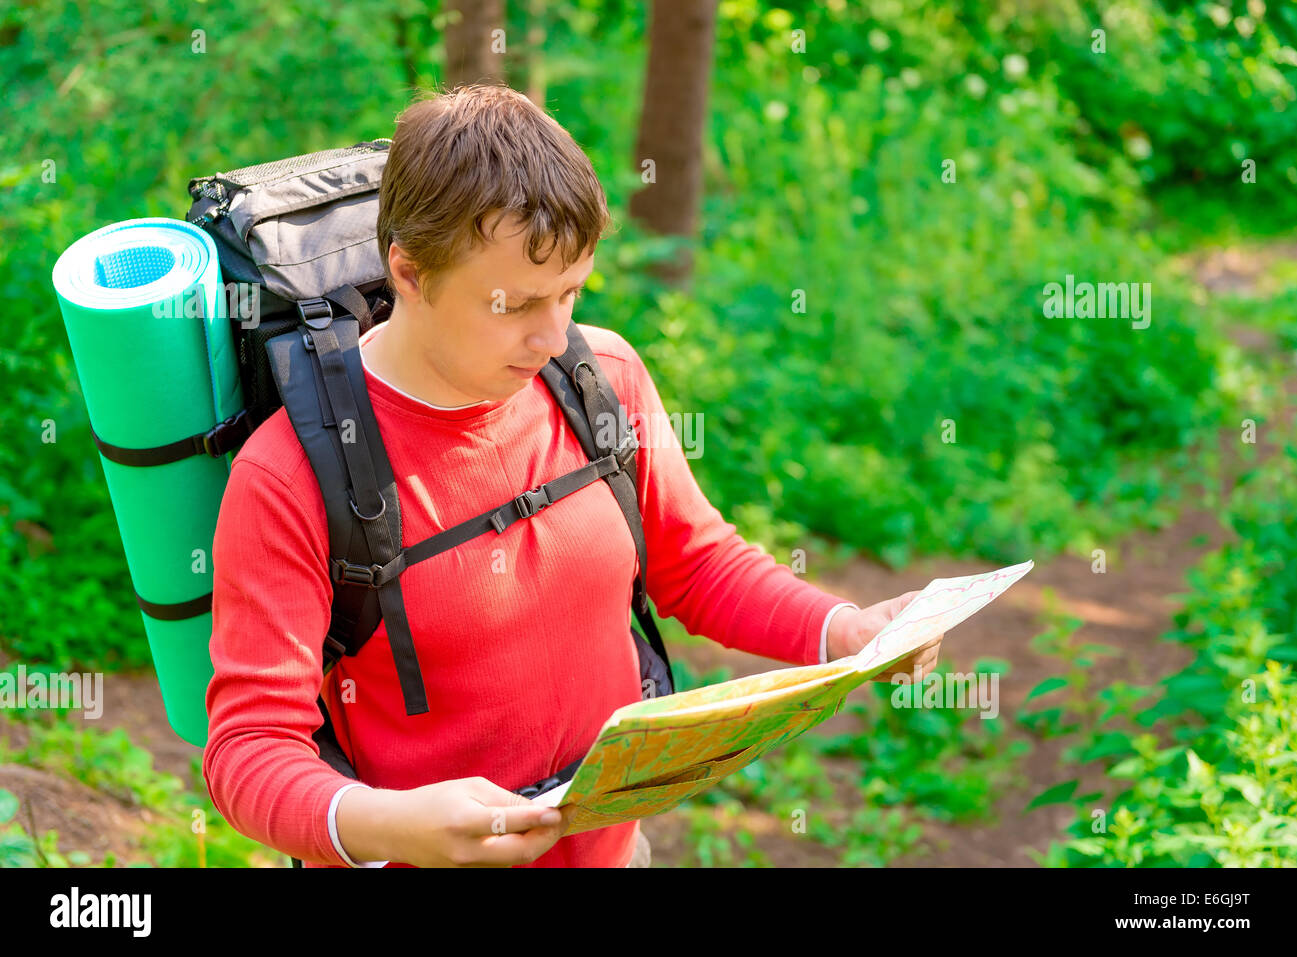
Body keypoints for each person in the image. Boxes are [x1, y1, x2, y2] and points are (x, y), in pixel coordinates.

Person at [202, 83, 943, 869]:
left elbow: (696, 564)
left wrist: (843, 631)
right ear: (410, 273)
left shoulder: (600, 376)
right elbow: (249, 750)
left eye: (571, 292)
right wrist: (388, 823)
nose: (551, 333)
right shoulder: (291, 475)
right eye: (516, 304)